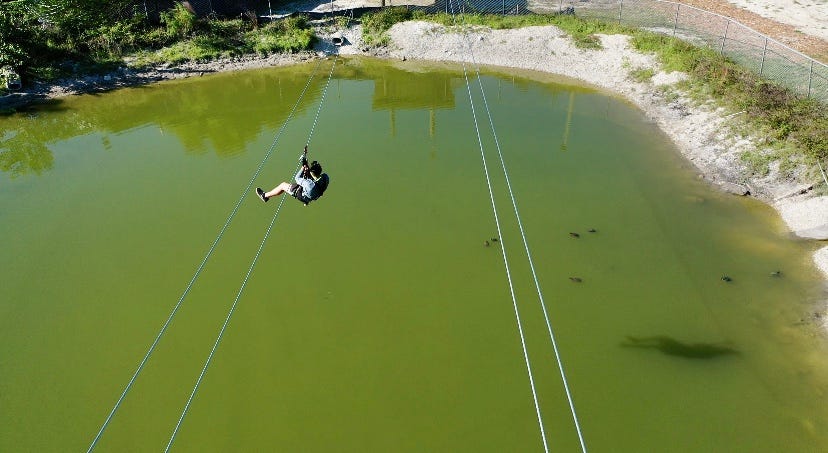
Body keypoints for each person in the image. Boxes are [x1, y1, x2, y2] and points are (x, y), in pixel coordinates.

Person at [256, 146, 329, 205]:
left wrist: (302, 168)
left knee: (283, 185)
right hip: (315, 191)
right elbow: (312, 175)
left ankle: (265, 196)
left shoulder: (309, 185)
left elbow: (297, 178)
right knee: (306, 178)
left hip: (304, 195)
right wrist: (305, 156)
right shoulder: (325, 177)